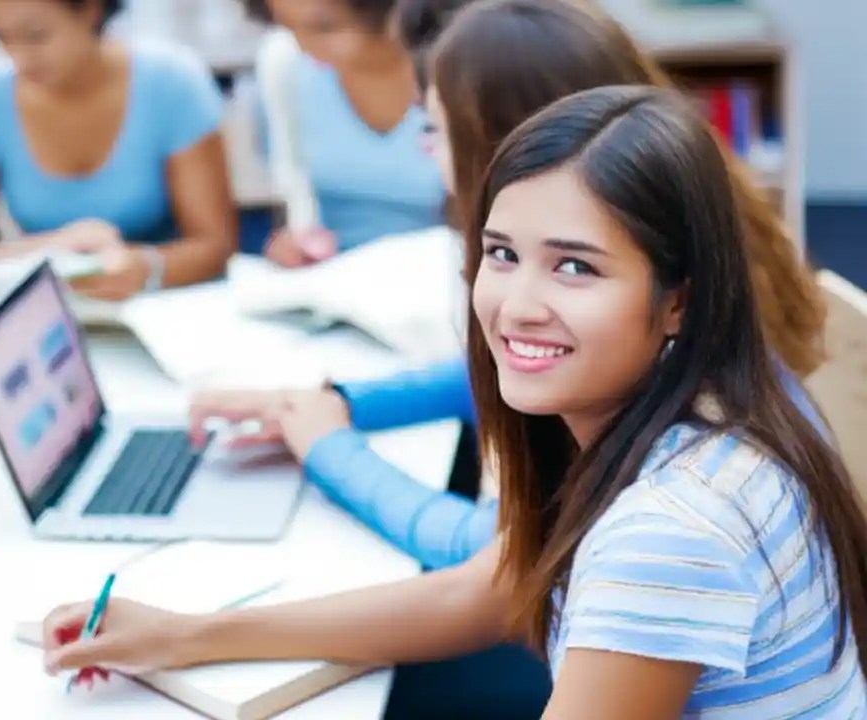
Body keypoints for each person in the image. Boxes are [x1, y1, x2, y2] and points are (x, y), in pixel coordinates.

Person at [43, 84, 867, 719]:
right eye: (502, 254)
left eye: (575, 267)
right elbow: (488, 593)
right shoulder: (713, 408)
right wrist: (192, 637)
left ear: (678, 297)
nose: (517, 303)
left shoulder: (668, 532)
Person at [189, 0, 828, 573]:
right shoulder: (674, 248)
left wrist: (329, 448)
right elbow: (500, 373)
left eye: (434, 128)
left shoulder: (673, 393)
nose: (424, 152)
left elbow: (495, 558)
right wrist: (338, 404)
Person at [0, 0, 237, 301]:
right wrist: (54, 250)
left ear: (92, 8)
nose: (18, 58)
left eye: (36, 35)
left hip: (164, 308)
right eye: (0, 37)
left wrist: (146, 268)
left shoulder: (173, 83)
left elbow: (215, 246)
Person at [244, 0, 445, 266]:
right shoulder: (284, 63)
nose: (304, 46)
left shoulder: (450, 61)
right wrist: (297, 245)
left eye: (325, 27)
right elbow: (294, 188)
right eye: (288, 27)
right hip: (333, 281)